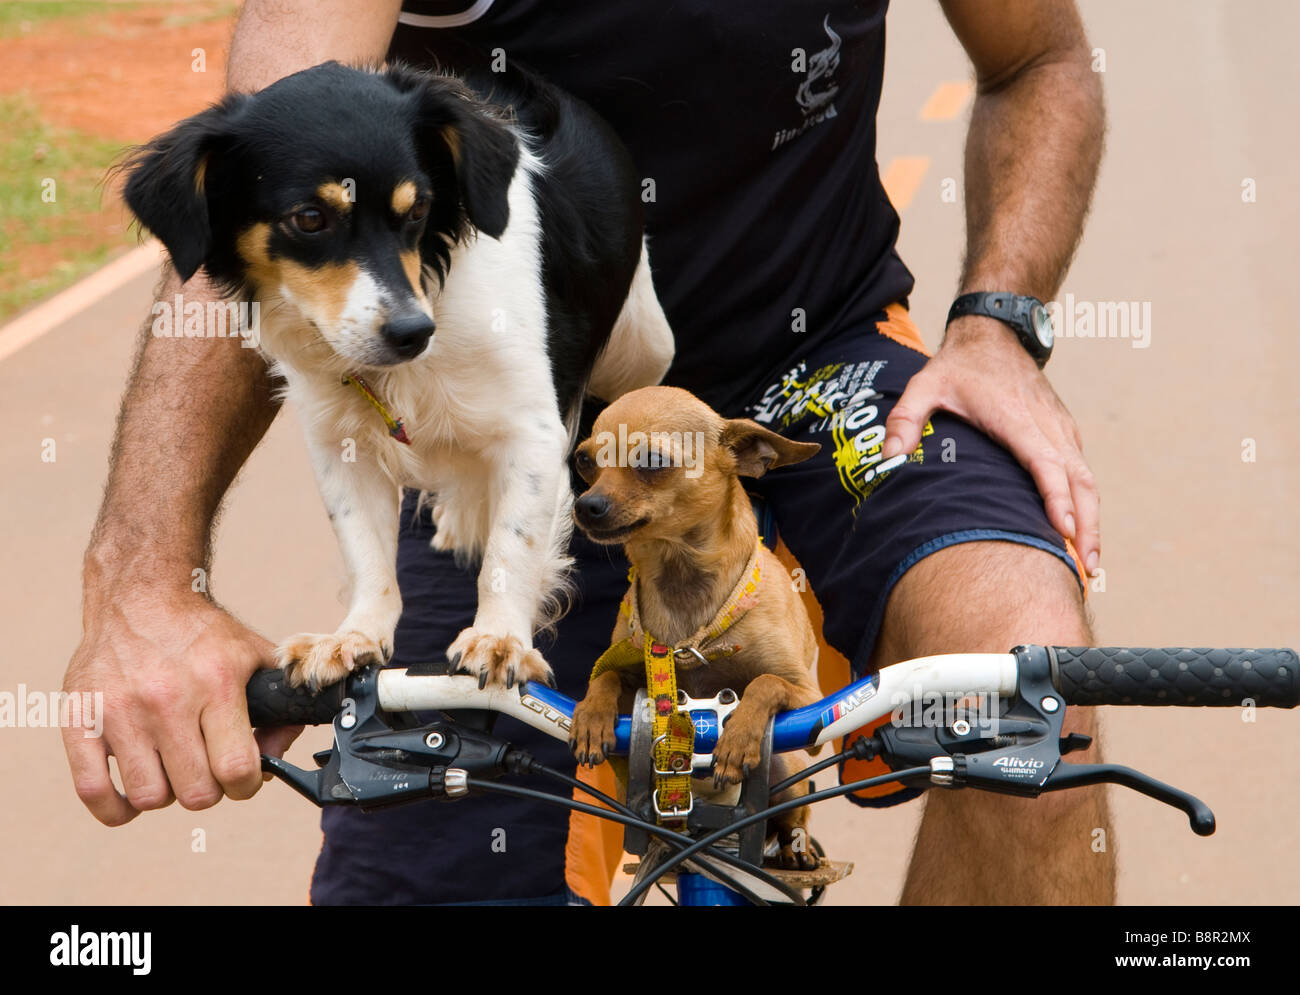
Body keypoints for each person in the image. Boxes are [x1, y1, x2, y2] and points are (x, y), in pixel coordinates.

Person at [63, 0, 1111, 905]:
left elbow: (1039, 60)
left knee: (1026, 689)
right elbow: (268, 175)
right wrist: (145, 577)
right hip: (520, 410)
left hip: (821, 359)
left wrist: (996, 326)